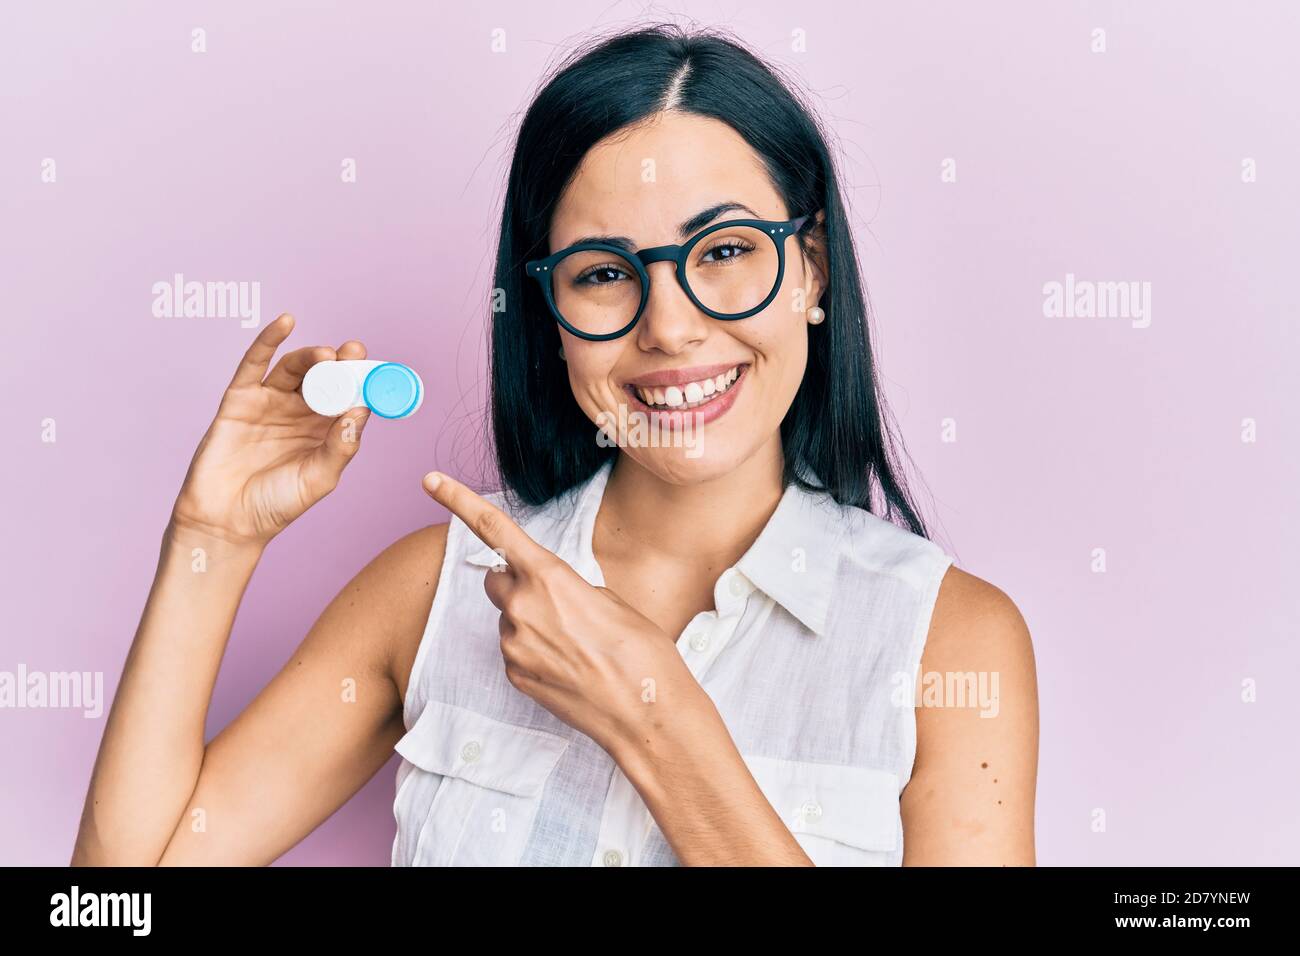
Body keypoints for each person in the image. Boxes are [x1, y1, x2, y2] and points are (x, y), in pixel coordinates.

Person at [73, 24, 1037, 867]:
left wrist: (658, 718)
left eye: (728, 252)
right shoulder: (430, 594)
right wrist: (214, 539)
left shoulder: (950, 644)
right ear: (548, 310)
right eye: (606, 272)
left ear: (810, 269)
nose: (670, 327)